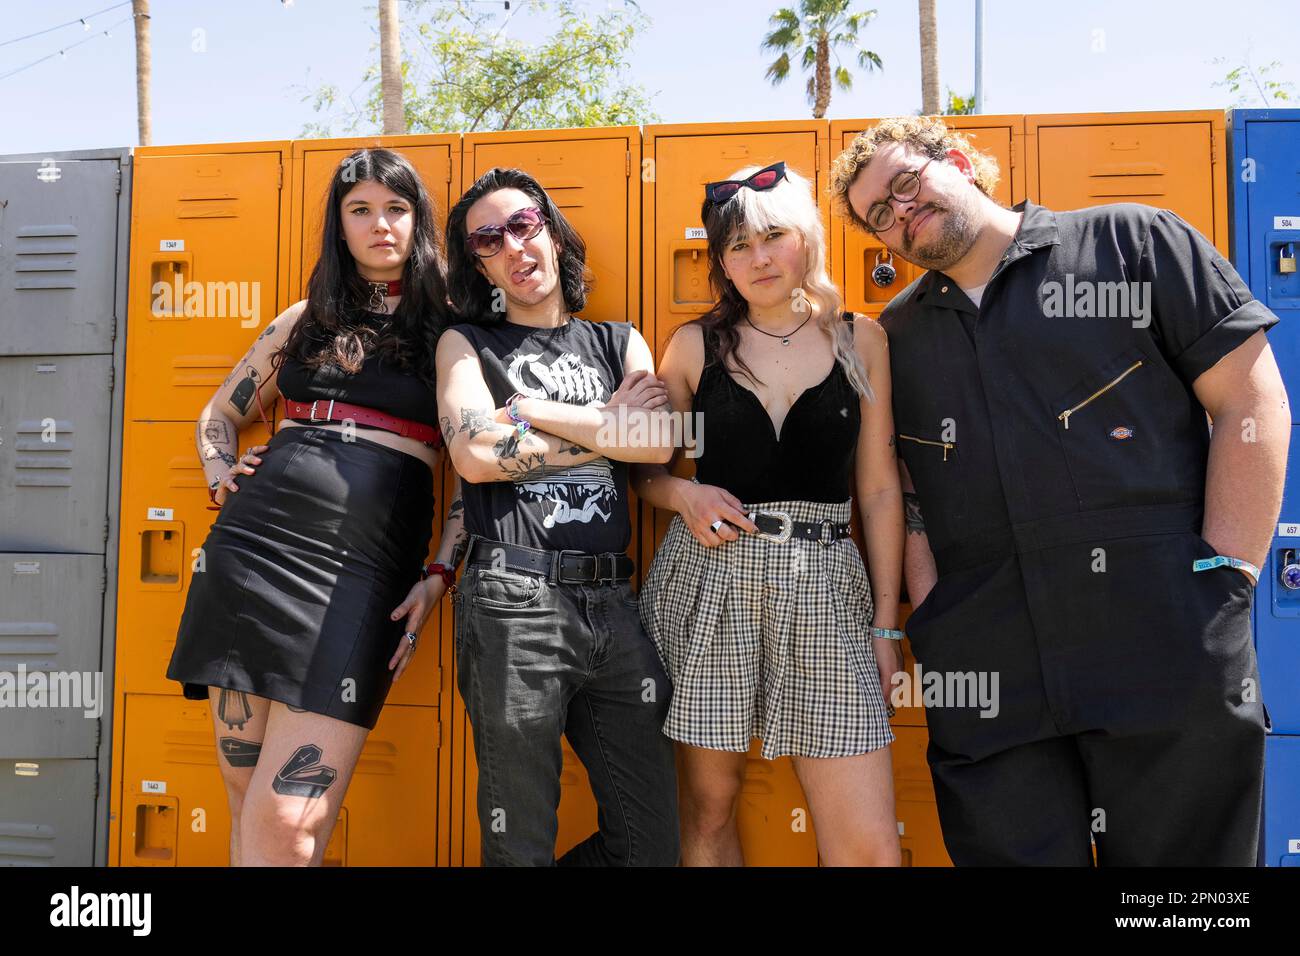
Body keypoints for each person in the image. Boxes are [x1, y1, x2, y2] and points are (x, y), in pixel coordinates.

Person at [830, 115, 1289, 865]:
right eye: (878, 215)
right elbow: (904, 488)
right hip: (987, 671)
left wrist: (1228, 576)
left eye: (905, 183)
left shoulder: (1132, 243)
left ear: (957, 160)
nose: (899, 213)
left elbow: (1252, 403)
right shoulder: (899, 335)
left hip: (1164, 639)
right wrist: (935, 607)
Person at [167, 148, 467, 866]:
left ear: (417, 219)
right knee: (245, 798)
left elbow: (479, 474)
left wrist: (439, 573)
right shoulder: (305, 319)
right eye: (360, 209)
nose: (380, 225)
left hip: (363, 569)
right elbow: (217, 417)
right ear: (339, 224)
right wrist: (219, 476)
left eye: (396, 208)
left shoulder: (453, 327)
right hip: (250, 552)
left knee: (288, 822)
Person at [631, 161, 903, 866]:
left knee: (868, 844)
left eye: (773, 236)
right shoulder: (694, 347)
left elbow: (876, 490)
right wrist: (683, 495)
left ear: (806, 239)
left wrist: (884, 622)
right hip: (710, 582)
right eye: (737, 247)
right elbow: (647, 474)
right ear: (720, 261)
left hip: (828, 588)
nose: (757, 258)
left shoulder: (860, 338)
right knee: (709, 810)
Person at [436, 167, 680, 866]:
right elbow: (477, 455)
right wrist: (606, 426)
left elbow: (658, 443)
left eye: (522, 225)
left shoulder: (617, 341)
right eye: (489, 239)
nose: (512, 246)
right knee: (521, 844)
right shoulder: (466, 345)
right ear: (479, 263)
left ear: (548, 231)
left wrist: (533, 413)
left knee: (651, 846)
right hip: (514, 600)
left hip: (615, 606)